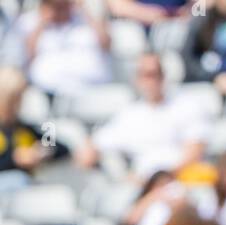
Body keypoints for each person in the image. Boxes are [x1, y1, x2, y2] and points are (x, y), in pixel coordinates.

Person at [76, 53, 211, 182]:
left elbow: (195, 152)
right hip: (141, 185)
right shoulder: (130, 114)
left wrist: (160, 181)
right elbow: (93, 147)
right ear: (136, 79)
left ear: (163, 76)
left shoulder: (186, 106)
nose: (149, 81)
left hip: (179, 182)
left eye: (153, 74)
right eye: (143, 75)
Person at [8, 0, 112, 98]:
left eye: (65, 4)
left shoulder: (85, 19)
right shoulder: (28, 21)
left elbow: (106, 44)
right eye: (57, 6)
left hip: (92, 88)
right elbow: (24, 56)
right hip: (48, 92)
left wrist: (85, 11)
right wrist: (42, 23)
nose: (62, 10)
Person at [0, 66, 69, 186]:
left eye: (19, 98)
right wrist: (14, 159)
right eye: (14, 98)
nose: (18, 104)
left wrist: (44, 152)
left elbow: (62, 148)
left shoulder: (23, 129)